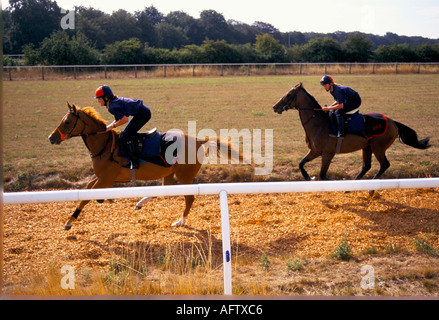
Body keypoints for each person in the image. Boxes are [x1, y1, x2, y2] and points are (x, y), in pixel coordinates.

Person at [94, 85, 151, 169]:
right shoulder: (113, 103)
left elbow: (124, 119)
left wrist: (112, 126)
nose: (98, 101)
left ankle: (134, 162)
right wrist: (108, 127)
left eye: (99, 98)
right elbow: (118, 120)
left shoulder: (112, 107)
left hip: (143, 114)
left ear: (106, 98)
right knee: (125, 134)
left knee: (125, 137)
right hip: (142, 112)